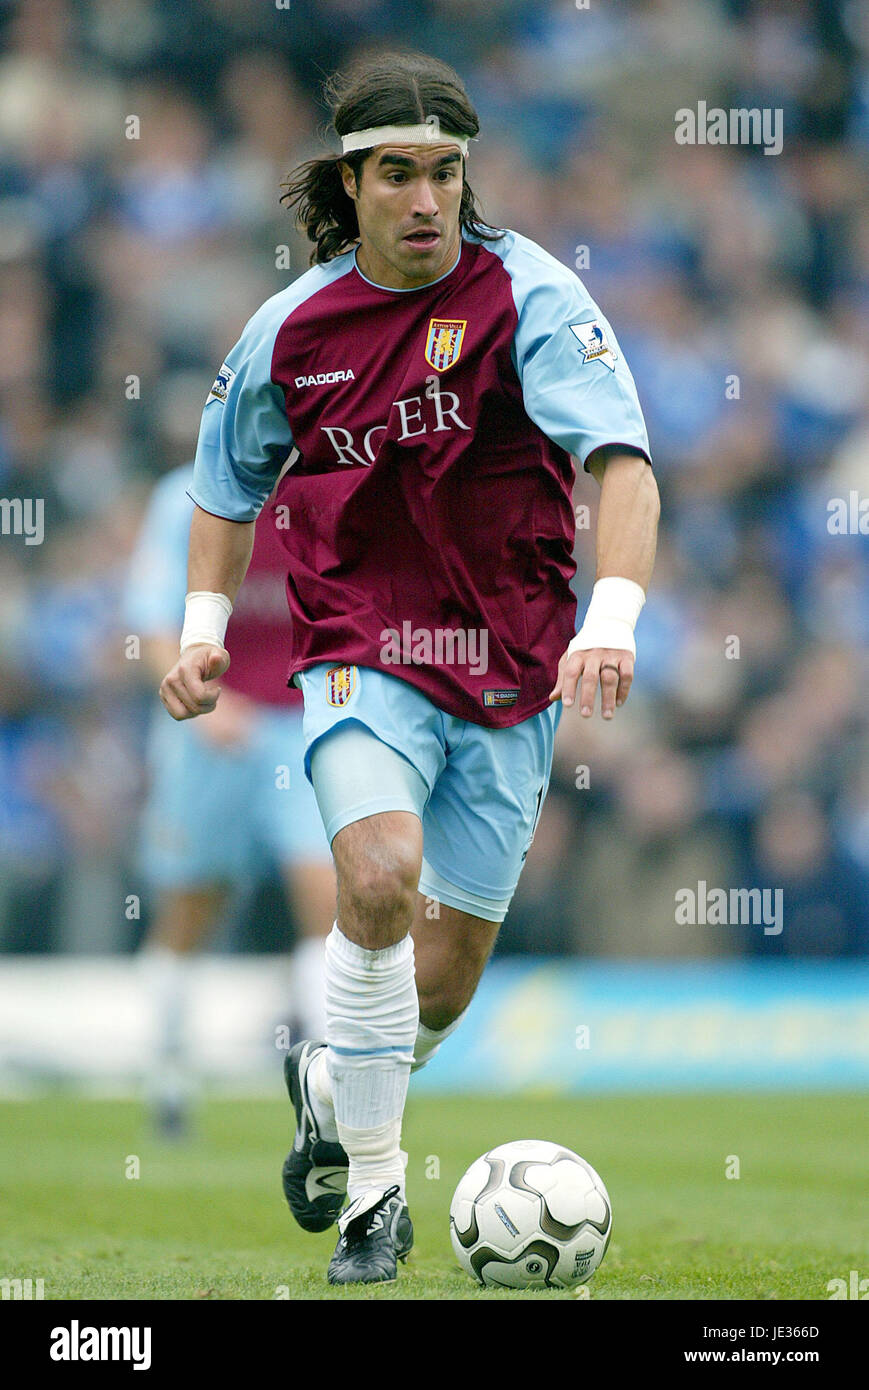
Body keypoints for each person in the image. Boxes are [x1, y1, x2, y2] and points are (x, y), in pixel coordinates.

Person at [158, 51, 659, 1282]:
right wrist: (201, 625)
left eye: (446, 173)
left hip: (511, 665)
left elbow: (621, 462)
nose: (427, 198)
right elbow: (224, 485)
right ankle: (375, 1201)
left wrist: (614, 615)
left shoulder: (529, 296)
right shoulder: (292, 328)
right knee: (375, 878)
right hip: (360, 647)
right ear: (352, 181)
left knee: (436, 987)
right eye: (399, 175)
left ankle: (332, 1084)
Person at [126, 463, 335, 1135]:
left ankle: (335, 1095)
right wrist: (200, 702)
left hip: (304, 723)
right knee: (191, 907)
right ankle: (167, 1078)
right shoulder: (182, 498)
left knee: (327, 903)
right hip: (209, 729)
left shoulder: (331, 482)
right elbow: (153, 623)